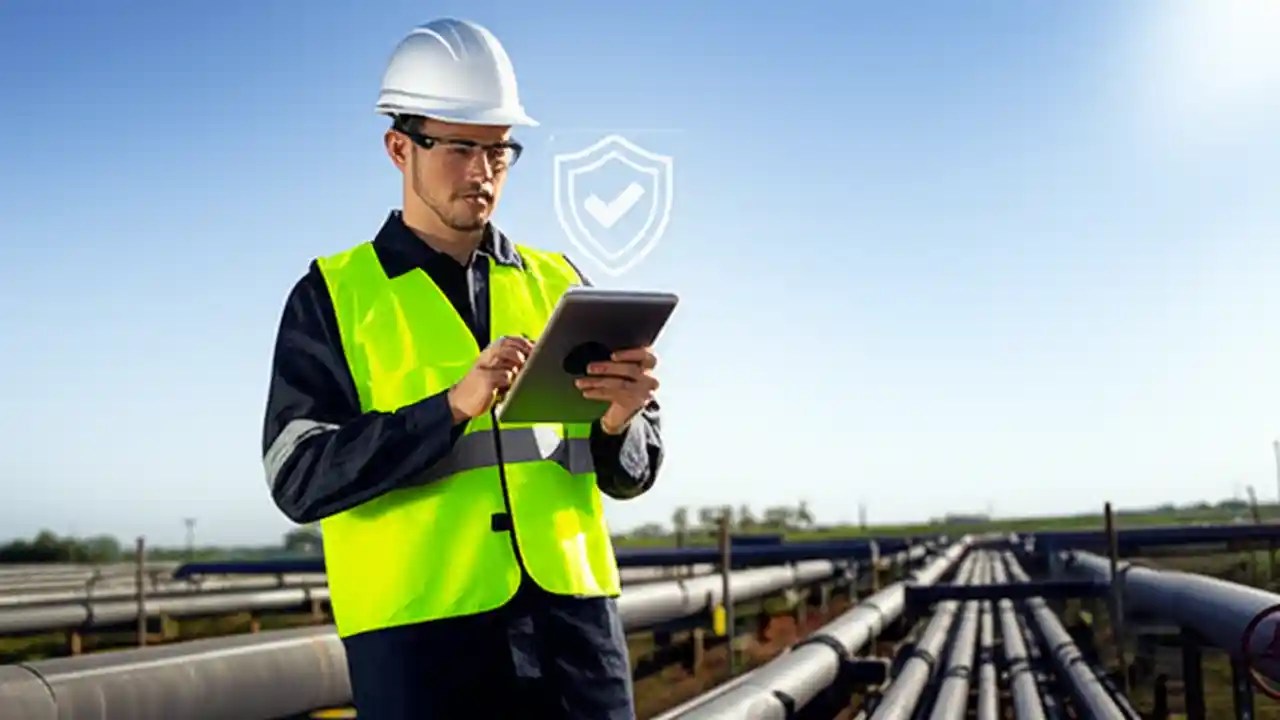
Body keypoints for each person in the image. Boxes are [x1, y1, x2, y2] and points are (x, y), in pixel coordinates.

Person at [259, 17, 664, 720]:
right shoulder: (333, 296)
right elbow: (297, 475)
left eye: (499, 153)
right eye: (459, 148)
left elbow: (633, 471)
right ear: (398, 147)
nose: (482, 173)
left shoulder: (558, 282)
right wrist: (447, 408)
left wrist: (621, 421)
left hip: (574, 633)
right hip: (422, 647)